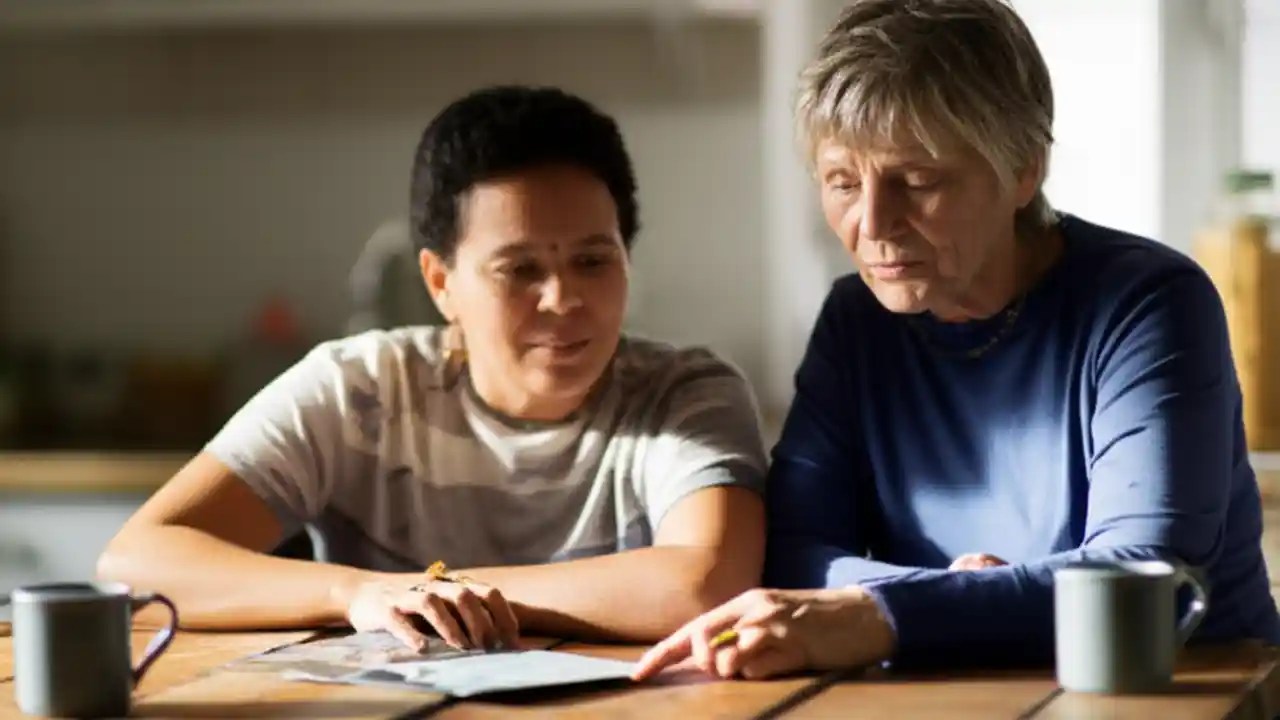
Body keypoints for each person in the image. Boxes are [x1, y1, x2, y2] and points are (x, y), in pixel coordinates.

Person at [633, 0, 1280, 682]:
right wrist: (951, 598)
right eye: (842, 182)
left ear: (1024, 170)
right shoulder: (856, 320)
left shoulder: (1148, 303)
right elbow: (796, 554)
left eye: (917, 180)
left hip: (1187, 691)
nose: (874, 223)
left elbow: (1145, 576)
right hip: (965, 689)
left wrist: (896, 611)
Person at [98, 85, 767, 651]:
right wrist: (359, 592)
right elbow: (137, 561)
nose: (563, 299)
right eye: (521, 269)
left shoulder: (687, 393)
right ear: (440, 282)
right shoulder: (358, 389)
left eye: (592, 261)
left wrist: (446, 593)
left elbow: (705, 583)